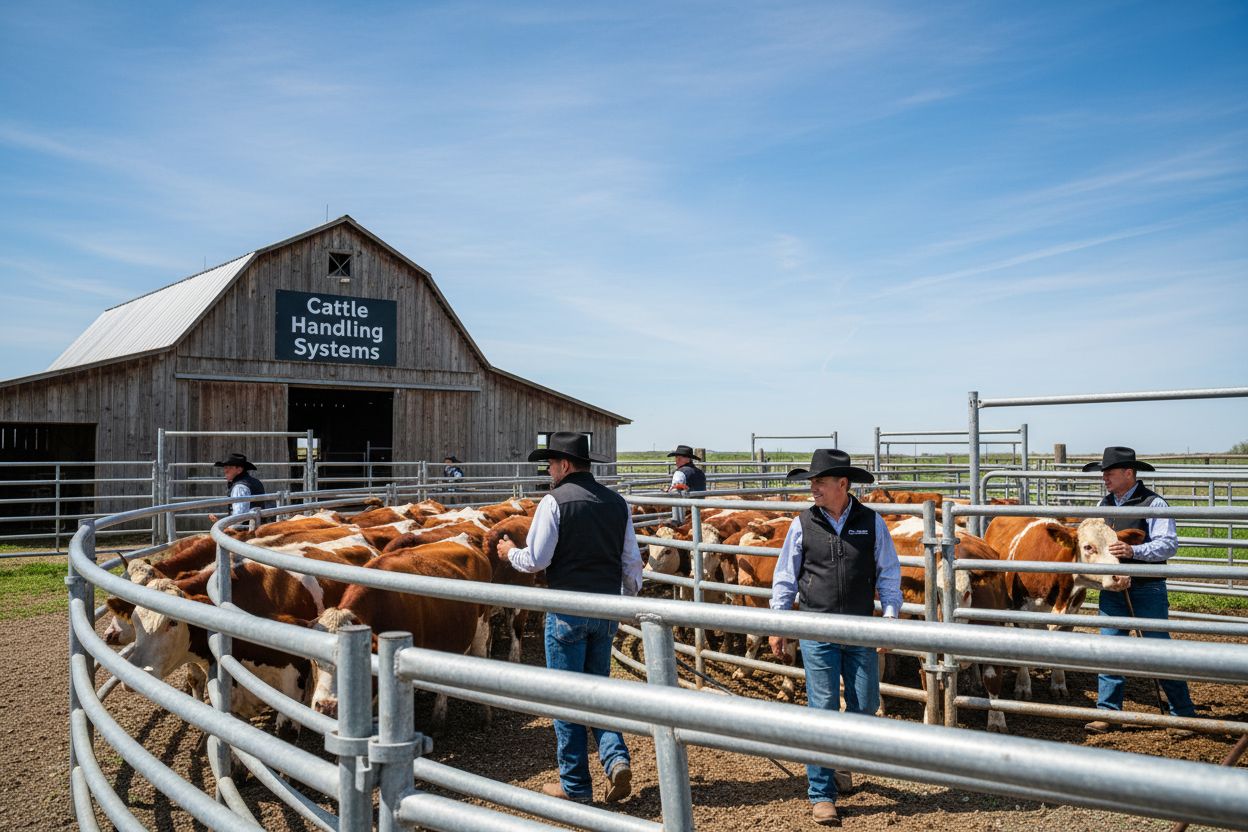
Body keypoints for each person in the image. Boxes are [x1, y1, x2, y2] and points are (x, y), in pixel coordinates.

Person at [497, 431, 643, 804]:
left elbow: (538, 560)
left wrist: (510, 553)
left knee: (566, 698)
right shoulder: (617, 503)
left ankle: (575, 786)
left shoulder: (554, 501)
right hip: (606, 610)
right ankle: (615, 759)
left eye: (550, 464)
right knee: (599, 690)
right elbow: (632, 565)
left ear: (563, 465)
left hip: (567, 611)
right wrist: (625, 602)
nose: (549, 471)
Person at [767, 449, 902, 827]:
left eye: (820, 482)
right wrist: (779, 623)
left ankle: (839, 758)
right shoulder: (802, 523)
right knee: (822, 708)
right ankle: (821, 793)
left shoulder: (870, 523)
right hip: (817, 628)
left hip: (860, 627)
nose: (813, 488)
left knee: (866, 702)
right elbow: (785, 577)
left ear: (843, 484)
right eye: (811, 482)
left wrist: (889, 617)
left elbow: (888, 572)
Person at [1081, 446, 1197, 735]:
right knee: (1110, 651)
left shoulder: (1154, 504)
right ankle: (1107, 713)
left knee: (1158, 651)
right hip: (1113, 588)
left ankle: (1183, 716)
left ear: (1129, 473)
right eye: (1103, 473)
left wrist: (1133, 550)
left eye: (1110, 472)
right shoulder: (1102, 506)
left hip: (1147, 588)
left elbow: (1168, 544)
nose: (1104, 477)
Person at [206, 452, 269, 524]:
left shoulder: (239, 487)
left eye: (228, 467)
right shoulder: (255, 481)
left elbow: (239, 517)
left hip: (245, 531)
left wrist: (228, 527)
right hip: (257, 527)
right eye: (225, 467)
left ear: (239, 470)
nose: (225, 471)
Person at [664, 444, 705, 524]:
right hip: (700, 509)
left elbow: (674, 490)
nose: (677, 460)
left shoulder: (680, 472)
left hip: (683, 511)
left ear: (688, 459)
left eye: (680, 458)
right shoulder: (700, 473)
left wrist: (669, 490)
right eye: (676, 457)